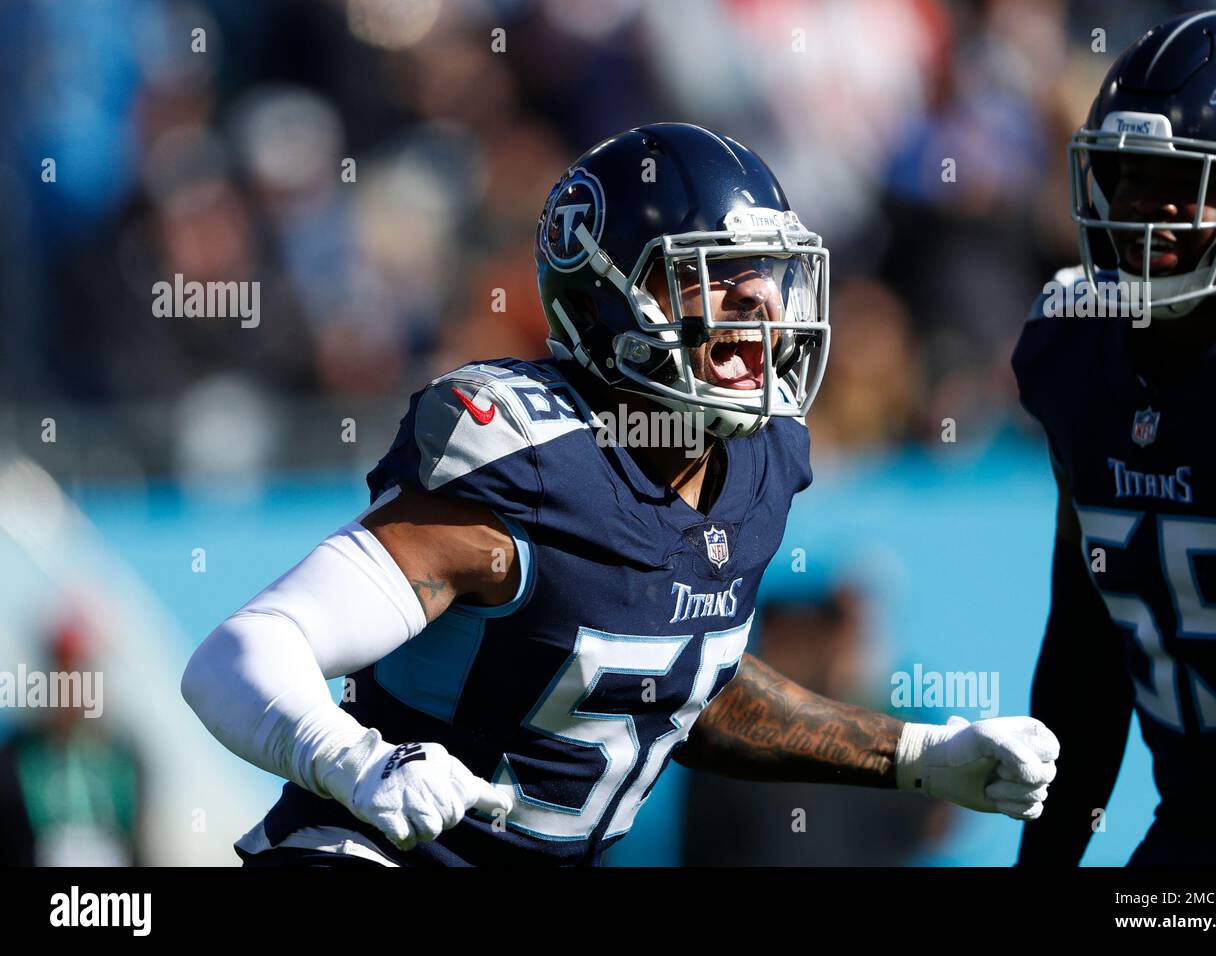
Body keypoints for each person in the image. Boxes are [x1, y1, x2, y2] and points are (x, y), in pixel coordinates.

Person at [183, 122, 1058, 867]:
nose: (757, 303)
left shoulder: (757, 464)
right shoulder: (529, 465)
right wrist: (357, 762)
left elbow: (683, 679)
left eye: (767, 272)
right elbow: (238, 654)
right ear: (611, 297)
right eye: (715, 274)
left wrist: (917, 754)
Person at [1015, 11, 1216, 866]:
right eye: (1128, 177)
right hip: (1197, 841)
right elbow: (1085, 647)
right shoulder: (1074, 345)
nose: (1146, 210)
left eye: (1187, 182)